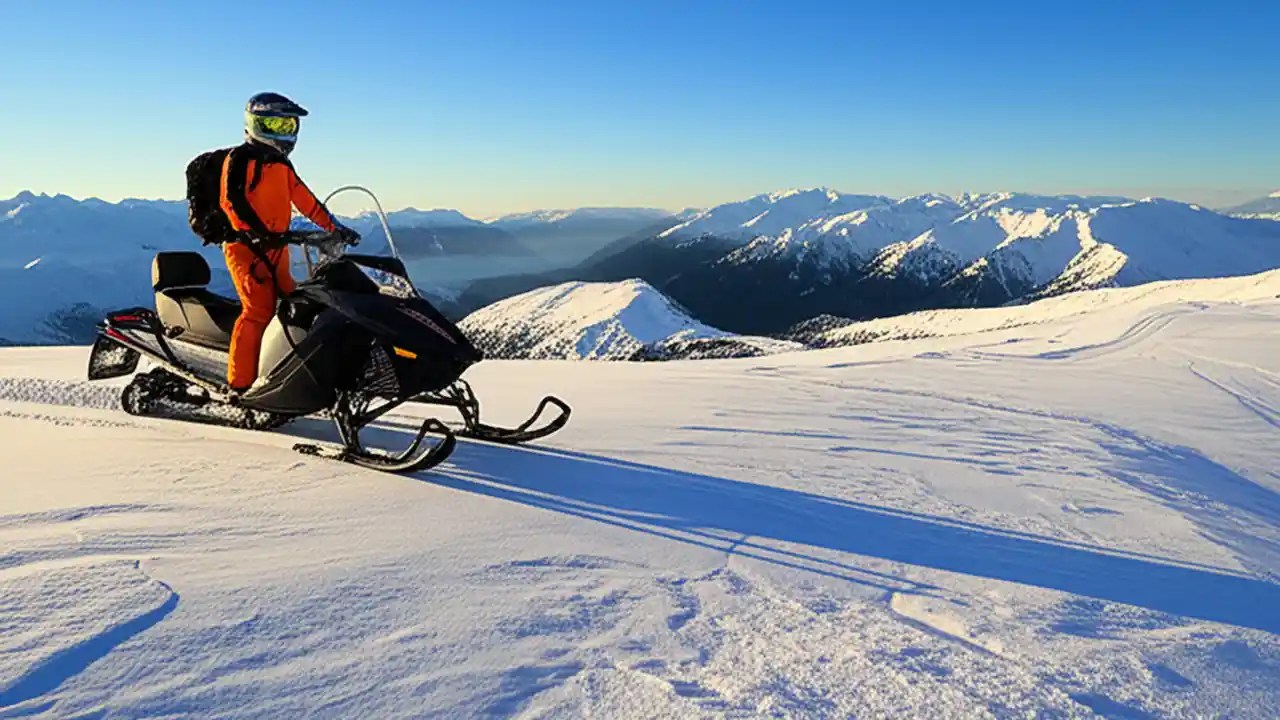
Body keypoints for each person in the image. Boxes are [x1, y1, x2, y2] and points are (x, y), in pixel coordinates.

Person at [218, 92, 356, 391]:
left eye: (290, 126)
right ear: (256, 123)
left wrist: (335, 228)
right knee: (257, 311)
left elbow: (306, 200)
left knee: (295, 304)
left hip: (277, 247)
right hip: (245, 248)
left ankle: (287, 375)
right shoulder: (239, 159)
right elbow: (231, 201)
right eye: (277, 126)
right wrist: (255, 232)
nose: (286, 134)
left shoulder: (282, 165)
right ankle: (239, 386)